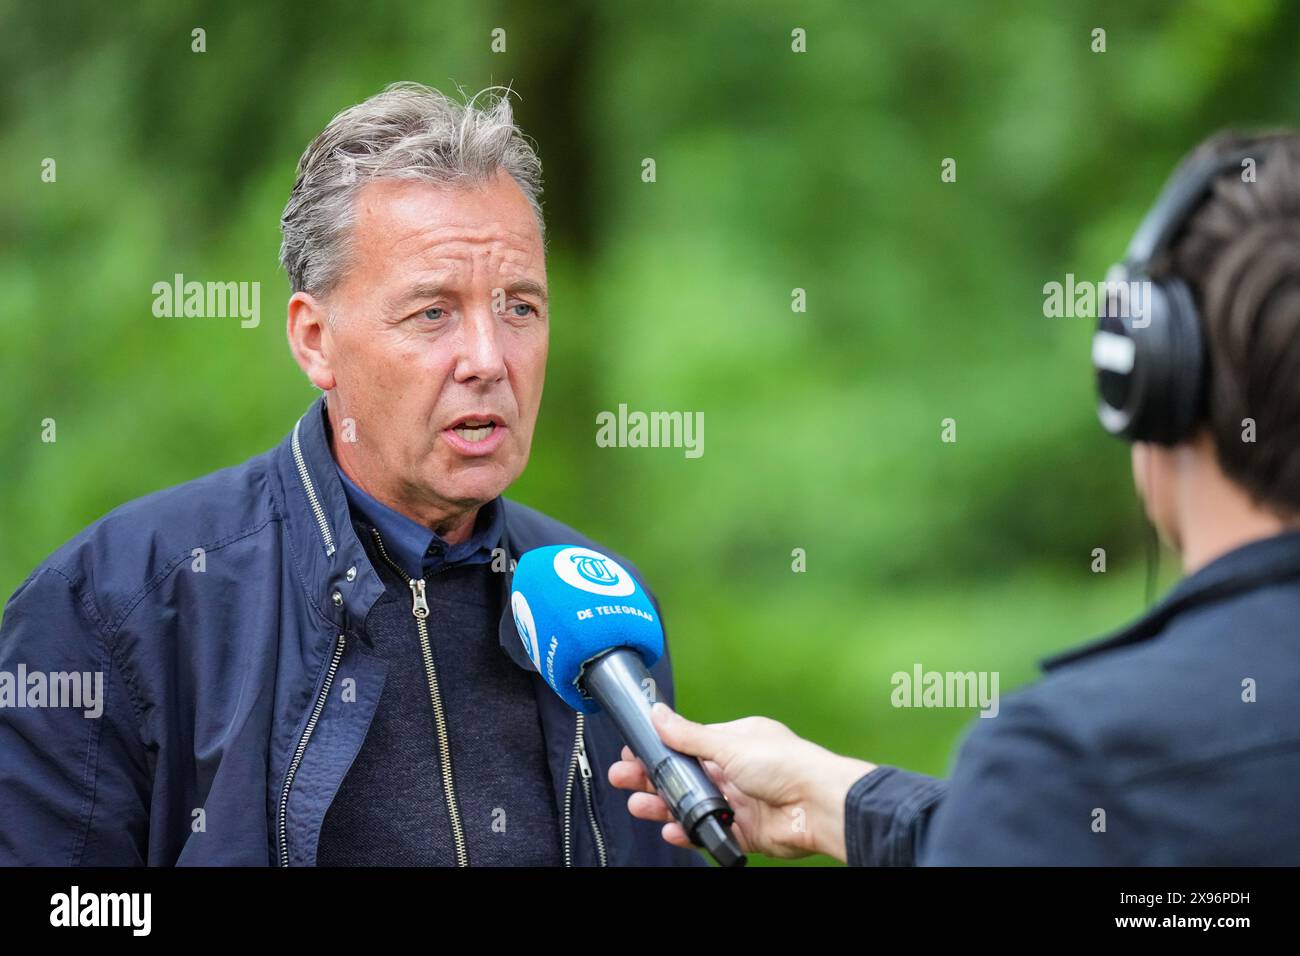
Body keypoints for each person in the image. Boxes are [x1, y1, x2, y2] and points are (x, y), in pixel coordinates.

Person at [0, 82, 702, 867]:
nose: (488, 359)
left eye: (520, 308)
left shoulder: (602, 609)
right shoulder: (116, 604)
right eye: (432, 312)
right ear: (314, 340)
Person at [611, 131, 1300, 865]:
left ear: (1143, 377)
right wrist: (835, 799)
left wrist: (1016, 795)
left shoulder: (1069, 765)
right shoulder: (1060, 789)